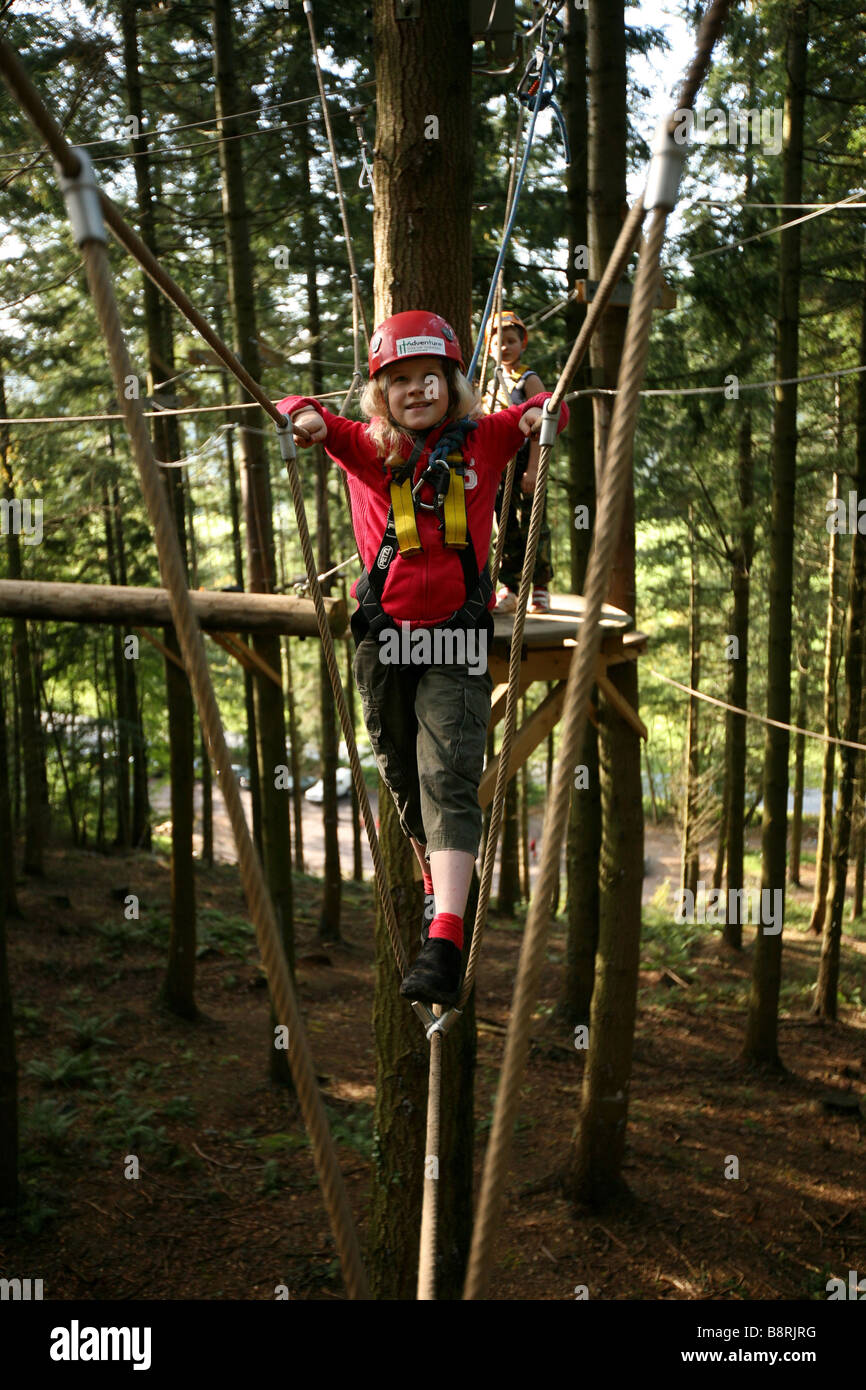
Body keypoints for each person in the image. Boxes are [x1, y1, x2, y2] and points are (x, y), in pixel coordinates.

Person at [278, 310, 568, 1005]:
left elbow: (539, 407)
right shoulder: (364, 447)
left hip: (455, 636)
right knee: (403, 776)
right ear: (381, 393)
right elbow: (296, 405)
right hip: (386, 635)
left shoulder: (484, 441)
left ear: (451, 382)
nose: (415, 390)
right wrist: (305, 420)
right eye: (399, 380)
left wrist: (535, 417)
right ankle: (437, 880)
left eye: (428, 377)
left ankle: (445, 939)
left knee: (450, 774)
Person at [482, 310, 554, 615]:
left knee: (533, 522)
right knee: (505, 526)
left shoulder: (528, 379)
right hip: (500, 463)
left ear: (521, 344)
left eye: (511, 341)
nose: (506, 348)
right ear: (490, 348)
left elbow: (543, 425)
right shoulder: (490, 385)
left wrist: (534, 468)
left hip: (526, 459)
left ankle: (539, 586)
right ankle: (510, 587)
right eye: (499, 343)